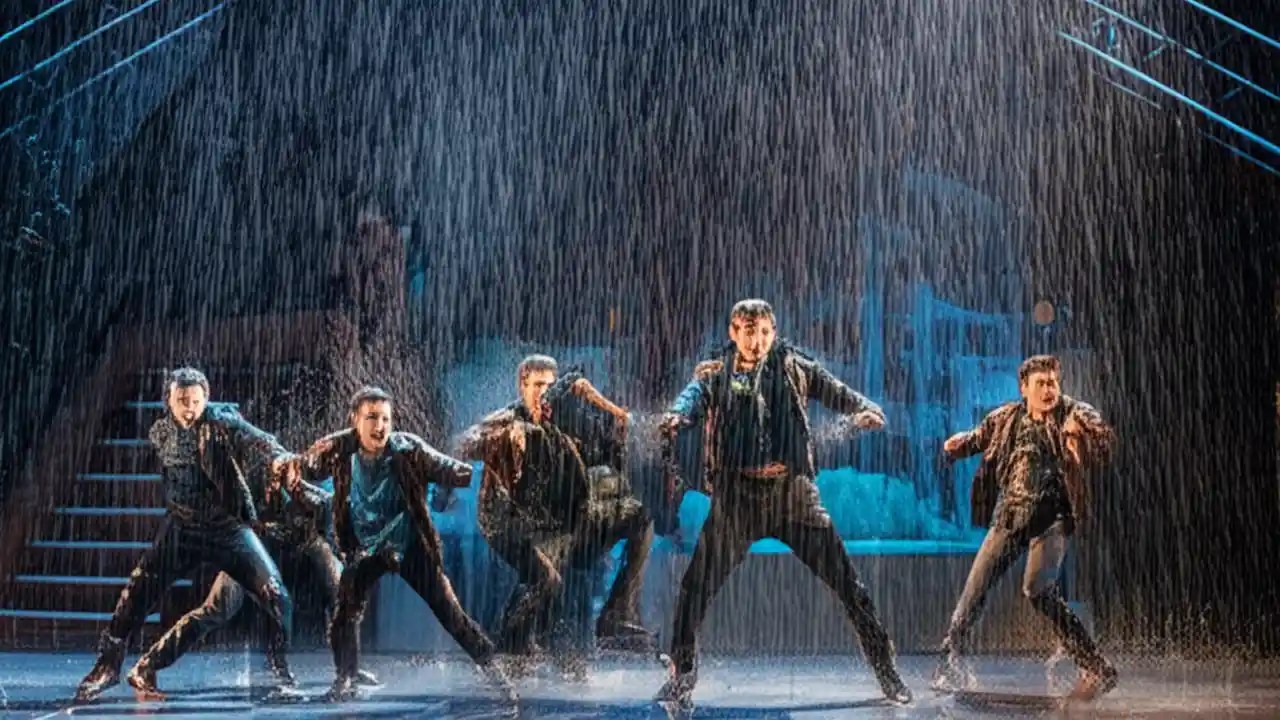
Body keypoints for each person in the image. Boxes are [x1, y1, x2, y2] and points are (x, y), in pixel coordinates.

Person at [656, 299, 911, 709]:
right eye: (747, 331)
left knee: (849, 586)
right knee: (694, 590)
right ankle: (681, 677)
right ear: (733, 332)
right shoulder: (715, 371)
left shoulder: (794, 364)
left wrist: (862, 408)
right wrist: (675, 415)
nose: (755, 341)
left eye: (763, 333)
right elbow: (691, 398)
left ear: (772, 333)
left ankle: (888, 673)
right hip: (737, 500)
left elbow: (833, 389)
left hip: (793, 496)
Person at [75, 368, 299, 703]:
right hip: (181, 529)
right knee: (135, 594)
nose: (189, 408)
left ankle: (279, 669)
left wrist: (280, 456)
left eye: (196, 401)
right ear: (169, 400)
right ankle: (108, 667)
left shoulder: (220, 420)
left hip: (227, 530)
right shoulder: (160, 432)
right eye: (182, 401)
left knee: (278, 597)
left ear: (206, 400)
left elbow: (257, 438)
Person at [285, 386, 514, 702]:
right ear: (356, 420)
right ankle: (346, 678)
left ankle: (494, 672)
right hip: (363, 547)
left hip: (410, 544)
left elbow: (448, 468)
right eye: (372, 418)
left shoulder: (408, 449)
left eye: (385, 419)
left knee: (451, 614)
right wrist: (296, 464)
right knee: (345, 612)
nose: (380, 426)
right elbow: (308, 465)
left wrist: (482, 460)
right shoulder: (339, 449)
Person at [932, 354, 1118, 701]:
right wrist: (956, 447)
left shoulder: (1075, 412)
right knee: (974, 591)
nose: (1049, 390)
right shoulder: (1006, 417)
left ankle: (1095, 666)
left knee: (1038, 590)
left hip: (1052, 517)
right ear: (1024, 388)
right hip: (1010, 515)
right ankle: (948, 661)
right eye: (1041, 384)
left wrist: (1086, 438)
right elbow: (978, 437)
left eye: (1053, 383)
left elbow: (1105, 439)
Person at [457, 356, 655, 672]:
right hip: (514, 526)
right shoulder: (507, 419)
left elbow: (591, 464)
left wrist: (617, 431)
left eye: (549, 386)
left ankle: (617, 614)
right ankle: (513, 647)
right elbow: (466, 443)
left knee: (639, 516)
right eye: (537, 386)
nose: (544, 394)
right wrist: (506, 435)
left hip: (562, 522)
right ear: (522, 385)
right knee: (545, 577)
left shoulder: (558, 422)